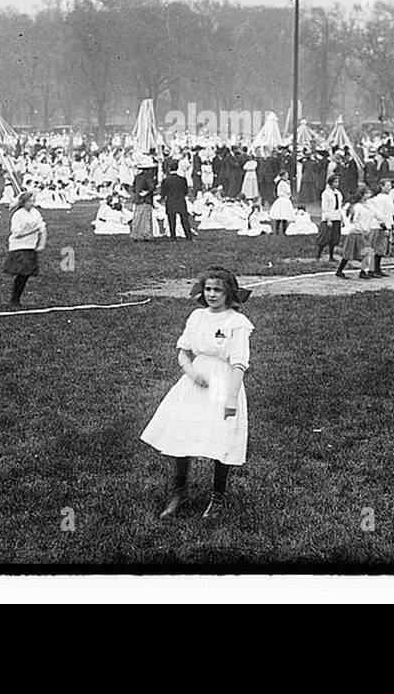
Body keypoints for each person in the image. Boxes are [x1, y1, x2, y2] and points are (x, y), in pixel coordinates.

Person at [141, 266, 253, 521]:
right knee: (182, 435)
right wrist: (191, 372)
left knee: (220, 438)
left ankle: (218, 497)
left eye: (218, 290)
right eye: (208, 289)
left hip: (223, 383)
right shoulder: (197, 316)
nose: (212, 294)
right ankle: (179, 493)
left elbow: (239, 363)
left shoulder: (237, 323)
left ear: (229, 293)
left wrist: (232, 397)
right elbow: (183, 350)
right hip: (195, 379)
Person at [3, 190, 47, 306]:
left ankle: (15, 298)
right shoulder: (17, 214)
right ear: (23, 202)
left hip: (30, 246)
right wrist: (32, 229)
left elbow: (42, 228)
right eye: (29, 201)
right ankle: (15, 299)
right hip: (19, 246)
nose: (32, 203)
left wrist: (41, 244)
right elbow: (16, 232)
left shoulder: (35, 212)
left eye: (33, 201)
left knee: (26, 274)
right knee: (22, 273)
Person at [160, 160, 194, 241]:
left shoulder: (166, 180)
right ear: (178, 168)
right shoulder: (182, 179)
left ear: (169, 169)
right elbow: (185, 191)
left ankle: (173, 237)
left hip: (170, 201)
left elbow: (163, 192)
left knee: (171, 220)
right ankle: (188, 236)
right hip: (180, 200)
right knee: (184, 219)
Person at [316, 174, 344, 261]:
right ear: (330, 183)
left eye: (338, 182)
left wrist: (341, 218)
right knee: (325, 237)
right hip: (328, 217)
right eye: (335, 182)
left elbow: (339, 207)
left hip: (336, 217)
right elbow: (325, 208)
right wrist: (328, 219)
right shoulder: (326, 193)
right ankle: (318, 255)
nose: (337, 184)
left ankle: (331, 256)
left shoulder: (338, 193)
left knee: (334, 238)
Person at [268, 170, 296, 235]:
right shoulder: (283, 183)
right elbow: (288, 192)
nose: (287, 177)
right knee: (283, 216)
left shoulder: (281, 183)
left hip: (282, 199)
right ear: (282, 177)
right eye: (286, 176)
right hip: (284, 200)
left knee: (281, 216)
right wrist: (288, 185)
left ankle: (279, 231)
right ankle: (282, 231)